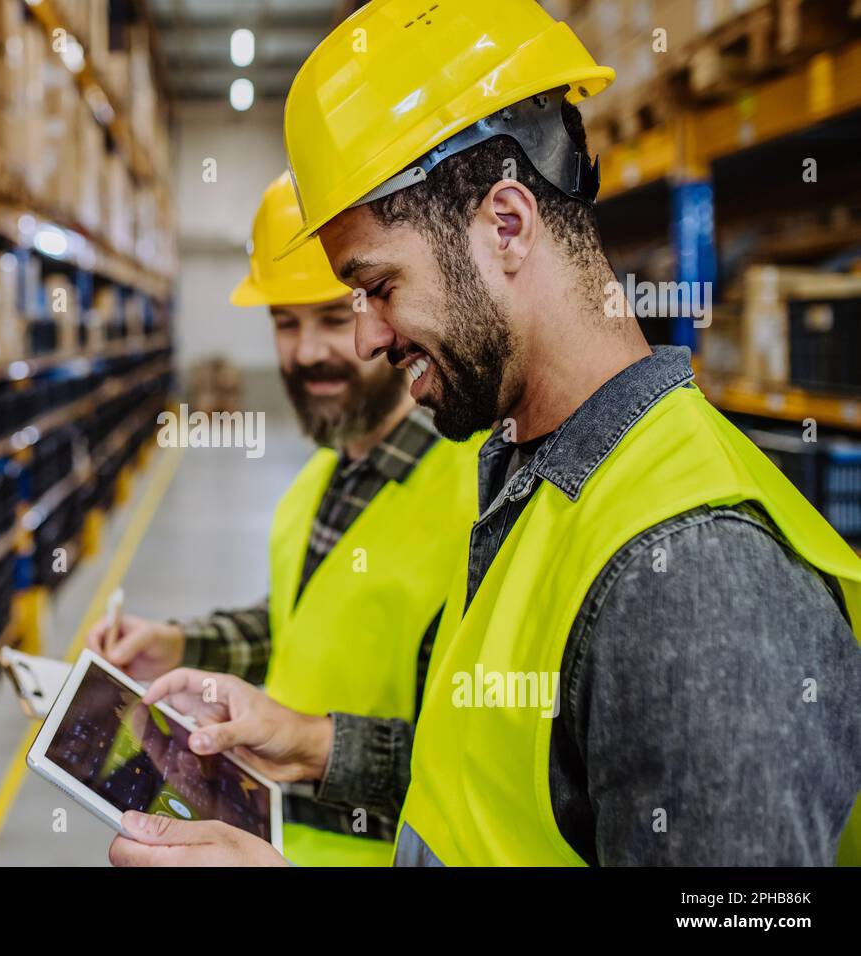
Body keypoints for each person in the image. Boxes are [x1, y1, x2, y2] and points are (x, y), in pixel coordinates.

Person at [109, 0, 861, 867]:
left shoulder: (692, 572)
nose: (365, 340)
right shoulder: (528, 478)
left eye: (378, 288)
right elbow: (491, 793)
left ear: (506, 223)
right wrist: (317, 745)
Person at [85, 173, 481, 866]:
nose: (306, 355)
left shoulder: (476, 499)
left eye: (332, 318)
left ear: (383, 314)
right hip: (278, 840)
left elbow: (484, 768)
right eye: (284, 324)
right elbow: (300, 624)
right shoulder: (317, 482)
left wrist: (310, 742)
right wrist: (180, 645)